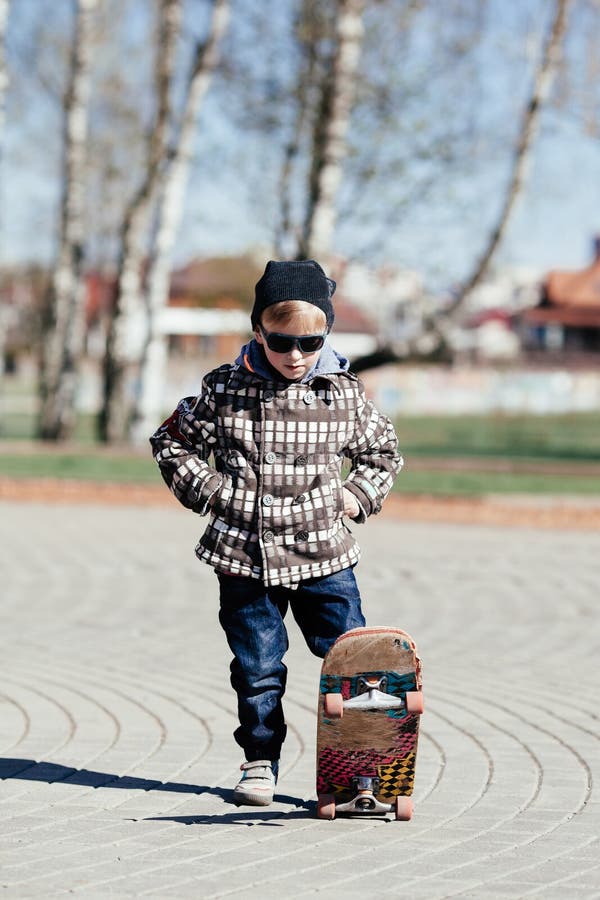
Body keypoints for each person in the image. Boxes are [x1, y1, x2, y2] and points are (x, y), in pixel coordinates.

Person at [150, 259, 403, 806]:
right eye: (281, 341)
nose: (295, 356)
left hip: (325, 557)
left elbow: (383, 453)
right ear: (258, 331)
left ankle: (361, 771)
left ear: (326, 335)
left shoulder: (343, 394)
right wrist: (212, 492)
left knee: (351, 662)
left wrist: (354, 496)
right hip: (245, 558)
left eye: (310, 343)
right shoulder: (223, 390)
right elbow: (170, 441)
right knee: (258, 667)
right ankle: (260, 761)